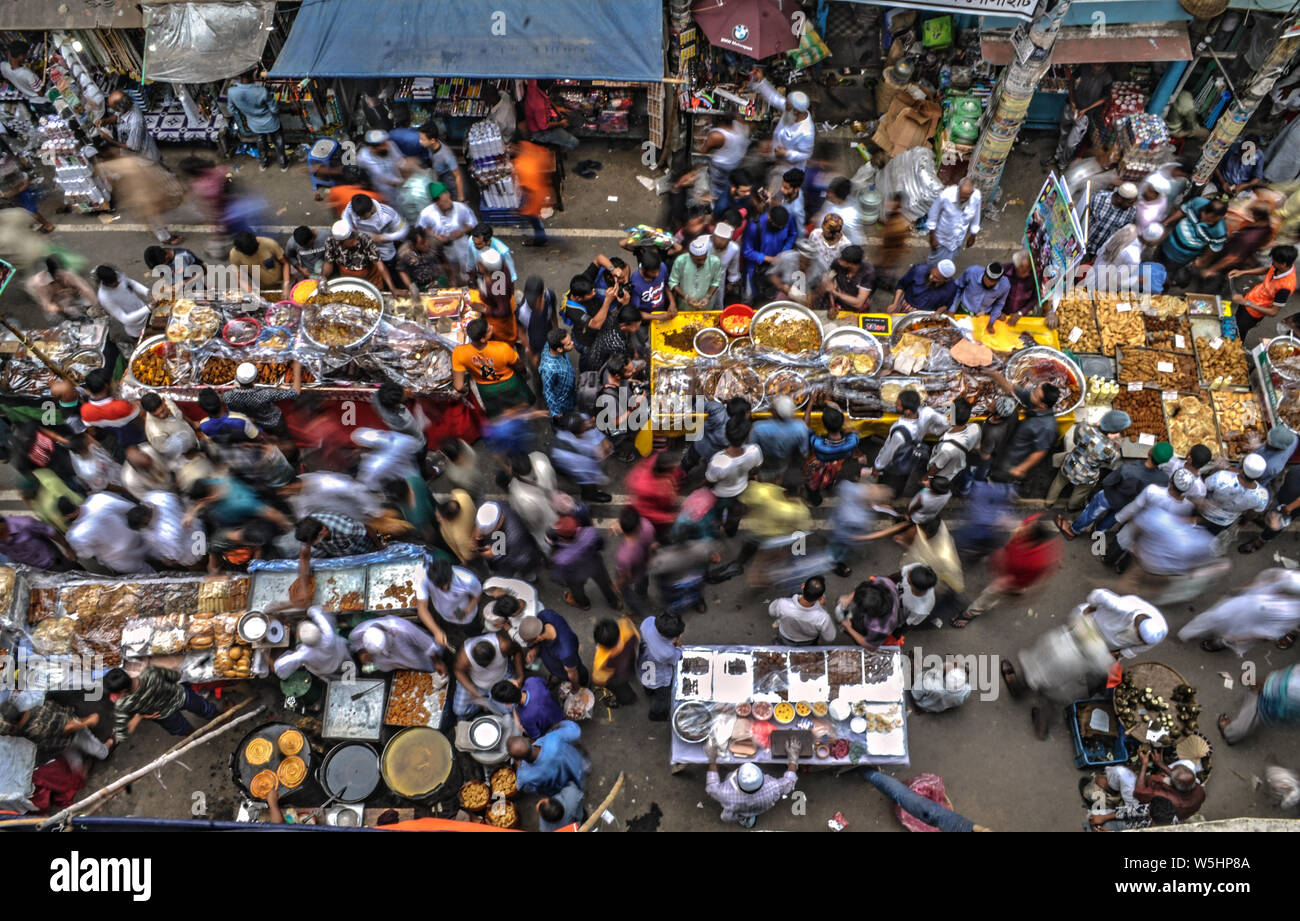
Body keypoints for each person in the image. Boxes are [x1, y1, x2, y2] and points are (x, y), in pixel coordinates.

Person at [953, 515, 1061, 627]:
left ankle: (970, 613)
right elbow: (1018, 527)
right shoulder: (1029, 526)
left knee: (990, 594)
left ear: (1032, 538)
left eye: (1026, 530)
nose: (1021, 528)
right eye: (1026, 526)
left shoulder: (1036, 562)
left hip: (1010, 579)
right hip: (1004, 564)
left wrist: (1009, 584)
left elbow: (1025, 580)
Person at [1058, 442, 1171, 540]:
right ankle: (1097, 532)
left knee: (1091, 513)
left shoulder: (1128, 469)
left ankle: (1073, 530)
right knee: (1112, 518)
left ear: (1150, 452)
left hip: (1109, 497)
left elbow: (1107, 481)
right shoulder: (1164, 479)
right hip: (1128, 504)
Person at [983, 368, 1060, 482]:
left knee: (1000, 478)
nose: (1031, 394)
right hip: (1009, 445)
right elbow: (1012, 389)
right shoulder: (1035, 402)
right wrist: (994, 375)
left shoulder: (1047, 427)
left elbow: (1041, 451)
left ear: (1043, 406)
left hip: (1014, 459)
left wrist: (1020, 469)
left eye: (1035, 395)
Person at [104, 665, 216, 742]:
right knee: (205, 709)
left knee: (184, 729)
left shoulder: (123, 704)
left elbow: (121, 735)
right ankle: (222, 717)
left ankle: (198, 737)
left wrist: (139, 716)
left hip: (164, 715)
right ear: (127, 674)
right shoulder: (150, 672)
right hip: (180, 696)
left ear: (121, 691)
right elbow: (175, 676)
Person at [705, 739, 801, 828]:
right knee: (754, 810)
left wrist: (712, 760)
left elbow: (711, 786)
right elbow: (789, 781)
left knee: (736, 811)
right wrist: (793, 759)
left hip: (736, 811)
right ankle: (751, 816)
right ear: (762, 778)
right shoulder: (773, 787)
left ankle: (743, 818)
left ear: (737, 775)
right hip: (761, 807)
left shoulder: (725, 793)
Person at [1045, 410, 1129, 510]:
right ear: (1115, 432)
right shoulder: (1110, 450)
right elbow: (1109, 461)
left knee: (1058, 482)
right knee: (1080, 493)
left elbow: (1076, 441)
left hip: (1070, 464)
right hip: (1086, 476)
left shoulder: (1083, 427)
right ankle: (1071, 507)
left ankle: (1048, 503)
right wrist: (1115, 444)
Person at [749, 68, 814, 193]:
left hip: (787, 169)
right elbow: (775, 99)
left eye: (787, 105)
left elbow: (805, 154)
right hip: (774, 157)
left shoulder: (806, 132)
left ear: (796, 111)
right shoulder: (791, 110)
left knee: (774, 194)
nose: (784, 106)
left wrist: (786, 154)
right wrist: (762, 81)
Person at [872, 389, 946, 498]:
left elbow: (888, 452)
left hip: (899, 459)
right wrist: (932, 430)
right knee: (905, 475)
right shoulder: (927, 412)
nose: (895, 405)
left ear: (907, 411)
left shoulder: (899, 433)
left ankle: (889, 496)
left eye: (898, 405)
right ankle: (898, 492)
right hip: (913, 453)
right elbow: (944, 423)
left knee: (893, 479)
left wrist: (877, 467)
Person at [452, 317, 530, 416]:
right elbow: (519, 366)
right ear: (483, 339)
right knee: (520, 407)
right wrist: (524, 373)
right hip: (509, 383)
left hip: (486, 389)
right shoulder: (503, 348)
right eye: (489, 329)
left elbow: (459, 386)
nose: (492, 327)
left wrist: (467, 390)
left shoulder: (459, 352)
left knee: (498, 413)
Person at [0, 700, 109, 770]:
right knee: (96, 748)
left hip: (56, 745)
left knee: (73, 759)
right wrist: (88, 721)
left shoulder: (13, 728)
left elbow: (3, 727)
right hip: (73, 735)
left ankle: (81, 771)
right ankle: (107, 747)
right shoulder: (40, 719)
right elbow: (69, 727)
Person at [67, 492, 151, 574]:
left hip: (121, 558)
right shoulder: (98, 499)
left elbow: (87, 554)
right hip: (137, 538)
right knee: (159, 555)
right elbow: (130, 508)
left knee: (147, 573)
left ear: (67, 516)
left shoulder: (76, 535)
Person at [706, 416, 762, 537]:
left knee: (716, 516)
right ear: (748, 436)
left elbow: (710, 481)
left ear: (726, 434)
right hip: (741, 492)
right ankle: (730, 533)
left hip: (720, 495)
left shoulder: (718, 460)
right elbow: (755, 469)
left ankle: (716, 533)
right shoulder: (754, 451)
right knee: (735, 516)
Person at [1218, 663, 1300, 745]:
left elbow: (1276, 685)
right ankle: (1255, 689)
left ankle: (1229, 733)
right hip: (1288, 709)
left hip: (1268, 705)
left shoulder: (1293, 685)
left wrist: (1255, 682)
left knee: (1247, 720)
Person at [1228, 244, 1297, 341]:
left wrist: (1247, 303)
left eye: (1274, 261)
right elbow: (1267, 269)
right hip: (1249, 298)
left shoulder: (1285, 287)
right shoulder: (1281, 265)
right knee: (1236, 323)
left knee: (1240, 333)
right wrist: (1242, 272)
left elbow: (1273, 312)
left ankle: (1236, 346)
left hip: (1253, 313)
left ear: (1284, 264)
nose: (1272, 262)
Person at [551, 515, 621, 611]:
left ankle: (584, 604)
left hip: (576, 576)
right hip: (596, 565)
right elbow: (601, 543)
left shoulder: (560, 556)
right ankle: (615, 603)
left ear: (562, 538)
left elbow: (558, 577)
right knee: (605, 584)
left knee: (577, 590)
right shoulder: (589, 532)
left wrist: (563, 583)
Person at [226, 70, 288, 171]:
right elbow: (274, 109)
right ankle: (283, 164)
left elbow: (231, 110)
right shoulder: (261, 91)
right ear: (253, 75)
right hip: (270, 121)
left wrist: (246, 111)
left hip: (254, 123)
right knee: (277, 140)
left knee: (260, 140)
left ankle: (263, 163)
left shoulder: (232, 92)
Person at [1055, 63, 1113, 169]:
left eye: (1098, 66)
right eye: (1093, 66)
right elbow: (1072, 78)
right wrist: (1072, 99)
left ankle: (1062, 163)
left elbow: (1104, 98)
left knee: (1071, 143)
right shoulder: (1084, 67)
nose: (1095, 68)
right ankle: (1057, 155)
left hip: (1084, 114)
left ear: (1105, 66)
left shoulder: (1107, 78)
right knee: (1063, 133)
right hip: (1071, 107)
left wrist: (1086, 110)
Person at [416, 184, 476, 285]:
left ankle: (471, 282)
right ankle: (456, 283)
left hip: (462, 245)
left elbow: (472, 223)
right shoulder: (427, 213)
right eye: (445, 201)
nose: (450, 203)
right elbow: (421, 228)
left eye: (449, 198)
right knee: (451, 269)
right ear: (437, 203)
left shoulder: (461, 208)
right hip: (444, 249)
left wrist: (462, 231)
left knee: (469, 266)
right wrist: (435, 237)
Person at [511, 720, 590, 796]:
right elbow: (575, 730)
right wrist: (560, 725)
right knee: (579, 779)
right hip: (575, 767)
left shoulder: (524, 775)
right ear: (528, 739)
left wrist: (518, 765)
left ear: (517, 759)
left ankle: (578, 792)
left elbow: (522, 787)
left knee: (570, 792)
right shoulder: (553, 738)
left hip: (557, 790)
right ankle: (581, 788)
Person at [1158, 197, 1227, 280]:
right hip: (1169, 241)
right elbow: (1182, 211)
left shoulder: (1220, 231)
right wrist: (1165, 223)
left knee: (1165, 273)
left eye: (1214, 221)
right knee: (1156, 260)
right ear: (1203, 210)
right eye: (1208, 219)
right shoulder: (1197, 202)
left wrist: (1202, 260)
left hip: (1180, 256)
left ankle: (1155, 287)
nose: (1210, 222)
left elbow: (1215, 248)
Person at [1086, 588, 1168, 659]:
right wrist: (1090, 608)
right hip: (1094, 623)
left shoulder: (1157, 635)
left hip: (1109, 644)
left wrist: (1119, 654)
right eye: (1139, 637)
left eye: (1142, 640)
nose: (1139, 640)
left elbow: (1142, 647)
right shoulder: (1123, 607)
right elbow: (1098, 594)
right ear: (1137, 625)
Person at [1197, 454, 1269, 534]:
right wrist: (1245, 521)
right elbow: (1252, 514)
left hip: (1205, 513)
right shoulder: (1262, 496)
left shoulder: (1222, 476)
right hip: (1224, 522)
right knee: (1209, 535)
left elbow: (1202, 490)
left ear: (1242, 466)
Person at [273, 606, 350, 679]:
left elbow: (279, 666)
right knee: (350, 668)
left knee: (338, 676)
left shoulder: (305, 653)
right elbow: (317, 614)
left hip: (326, 669)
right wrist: (310, 609)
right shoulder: (328, 635)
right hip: (340, 656)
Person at [351, 616, 444, 673]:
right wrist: (362, 653)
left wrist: (437, 662)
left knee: (420, 663)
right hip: (393, 665)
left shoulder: (402, 628)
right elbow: (356, 644)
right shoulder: (359, 633)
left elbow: (427, 645)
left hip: (416, 655)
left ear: (386, 632)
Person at [321, 220, 396, 290]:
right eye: (350, 240)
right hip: (347, 275)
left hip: (369, 275)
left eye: (353, 237)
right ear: (340, 242)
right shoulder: (331, 241)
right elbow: (328, 262)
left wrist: (392, 288)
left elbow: (380, 265)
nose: (355, 242)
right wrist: (323, 278)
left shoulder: (364, 238)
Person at [743, 205, 798, 300]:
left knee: (776, 290)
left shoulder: (788, 218)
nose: (780, 229)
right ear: (769, 218)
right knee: (751, 295)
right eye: (778, 227)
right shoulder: (754, 227)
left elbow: (792, 234)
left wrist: (784, 252)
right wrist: (768, 259)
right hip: (757, 267)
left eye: (782, 228)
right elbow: (747, 252)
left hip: (778, 264)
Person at [1133, 749, 1204, 821]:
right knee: (1189, 763)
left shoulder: (1162, 797)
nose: (1169, 772)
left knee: (1123, 773)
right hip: (1182, 810)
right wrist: (1160, 763)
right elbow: (1176, 778)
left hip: (1165, 814)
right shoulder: (1199, 790)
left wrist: (1144, 764)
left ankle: (1132, 804)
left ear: (1172, 783)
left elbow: (1138, 791)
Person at [752, 396, 809, 483]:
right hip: (784, 465)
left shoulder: (758, 427)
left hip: (764, 466)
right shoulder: (800, 428)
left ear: (775, 413)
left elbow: (752, 450)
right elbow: (804, 452)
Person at [344, 192, 408, 268]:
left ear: (371, 210)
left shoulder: (388, 214)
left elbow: (403, 229)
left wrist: (383, 237)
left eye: (363, 217)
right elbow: (345, 217)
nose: (359, 219)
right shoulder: (351, 208)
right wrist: (353, 231)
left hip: (384, 249)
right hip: (363, 246)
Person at [926, 178, 980, 265]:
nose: (962, 199)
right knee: (933, 263)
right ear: (958, 189)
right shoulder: (946, 196)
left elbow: (976, 216)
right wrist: (932, 236)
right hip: (942, 238)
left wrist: (973, 235)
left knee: (948, 262)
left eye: (966, 197)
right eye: (961, 196)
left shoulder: (976, 197)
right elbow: (933, 215)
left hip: (958, 239)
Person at [26, 255, 96, 320]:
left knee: (86, 304)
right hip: (56, 303)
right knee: (55, 317)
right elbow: (47, 305)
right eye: (58, 275)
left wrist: (96, 305)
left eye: (61, 273)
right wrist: (64, 310)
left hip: (70, 296)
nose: (61, 276)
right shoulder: (40, 283)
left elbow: (85, 289)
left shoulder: (66, 273)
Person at [93, 265, 151, 342]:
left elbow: (131, 284)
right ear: (106, 284)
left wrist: (148, 292)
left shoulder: (117, 275)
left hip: (147, 314)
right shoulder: (105, 297)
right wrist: (148, 308)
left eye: (117, 280)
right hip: (137, 329)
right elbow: (125, 319)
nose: (118, 283)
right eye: (114, 283)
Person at [927, 398, 980, 483]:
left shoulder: (946, 448)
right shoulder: (975, 428)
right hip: (958, 467)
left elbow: (936, 467)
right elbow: (977, 448)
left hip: (943, 476)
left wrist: (927, 477)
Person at [492, 677, 563, 739]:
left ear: (509, 704)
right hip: (558, 710)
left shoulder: (525, 717)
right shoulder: (531, 681)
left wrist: (519, 724)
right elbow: (544, 682)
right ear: (515, 683)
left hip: (553, 726)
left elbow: (535, 735)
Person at [771, 576, 834, 645]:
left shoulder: (782, 603)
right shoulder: (823, 617)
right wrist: (822, 607)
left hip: (785, 636)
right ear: (820, 598)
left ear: (802, 586)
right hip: (807, 642)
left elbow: (771, 611)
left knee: (780, 644)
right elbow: (830, 637)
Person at [98, 91, 159, 162]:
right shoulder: (126, 105)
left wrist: (110, 140)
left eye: (112, 108)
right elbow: (117, 115)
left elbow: (132, 147)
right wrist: (105, 121)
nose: (112, 110)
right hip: (134, 150)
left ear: (119, 108)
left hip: (145, 158)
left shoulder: (135, 123)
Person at [701, 114, 751, 201]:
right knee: (730, 188)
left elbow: (703, 150)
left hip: (720, 166)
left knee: (717, 191)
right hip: (735, 164)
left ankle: (717, 206)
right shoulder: (743, 128)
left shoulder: (717, 135)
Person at [946, 262, 1010, 326]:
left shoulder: (1005, 286)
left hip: (983, 316)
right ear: (984, 273)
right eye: (987, 279)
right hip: (963, 311)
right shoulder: (972, 272)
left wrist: (992, 321)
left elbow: (999, 304)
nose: (988, 283)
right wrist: (951, 310)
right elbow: (958, 288)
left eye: (992, 281)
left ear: (999, 280)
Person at [1081, 183, 1138, 254]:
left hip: (1099, 253)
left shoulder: (1132, 212)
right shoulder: (1099, 198)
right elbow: (1082, 216)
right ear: (1119, 198)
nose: (1132, 205)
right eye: (1130, 202)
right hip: (1082, 244)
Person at [0, 513, 72, 570]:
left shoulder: (25, 524)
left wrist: (68, 549)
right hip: (33, 571)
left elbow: (51, 532)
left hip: (54, 563)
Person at [821, 245, 875, 319]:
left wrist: (835, 292)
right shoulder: (837, 264)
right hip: (840, 306)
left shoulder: (868, 273)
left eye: (843, 260)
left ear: (851, 264)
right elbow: (830, 284)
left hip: (859, 311)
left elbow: (859, 303)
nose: (839, 261)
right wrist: (832, 306)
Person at [669, 236, 722, 311]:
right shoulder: (680, 261)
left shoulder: (715, 262)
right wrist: (686, 297)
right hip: (685, 305)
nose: (703, 262)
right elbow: (673, 282)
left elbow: (716, 281)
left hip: (706, 305)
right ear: (691, 255)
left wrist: (708, 297)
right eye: (699, 260)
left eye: (704, 258)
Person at [295, 511, 376, 558]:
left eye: (312, 543)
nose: (308, 545)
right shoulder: (307, 530)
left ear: (322, 533)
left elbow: (368, 528)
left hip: (363, 549)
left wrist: (380, 547)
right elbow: (304, 557)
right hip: (341, 556)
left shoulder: (345, 529)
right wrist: (304, 581)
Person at [416, 121, 464, 201]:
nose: (420, 141)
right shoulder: (430, 147)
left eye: (422, 139)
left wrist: (460, 197)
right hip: (439, 176)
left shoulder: (447, 155)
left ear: (432, 140)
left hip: (449, 180)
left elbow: (458, 176)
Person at [888, 259, 958, 313]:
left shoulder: (951, 289)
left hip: (926, 313)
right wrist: (895, 303)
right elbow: (901, 286)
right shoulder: (918, 270)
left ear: (946, 280)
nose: (931, 277)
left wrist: (937, 313)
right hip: (906, 306)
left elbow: (946, 305)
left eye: (936, 278)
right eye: (932, 273)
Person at [539, 327, 577, 421]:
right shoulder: (549, 369)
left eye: (570, 340)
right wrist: (556, 412)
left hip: (570, 393)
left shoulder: (551, 345)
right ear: (559, 349)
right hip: (562, 402)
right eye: (569, 344)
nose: (572, 343)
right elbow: (548, 391)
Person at [394, 225, 443, 297]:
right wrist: (411, 286)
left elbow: (444, 260)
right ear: (413, 245)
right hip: (419, 286)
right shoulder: (403, 253)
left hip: (438, 281)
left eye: (426, 240)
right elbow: (402, 271)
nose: (426, 244)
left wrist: (451, 278)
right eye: (422, 243)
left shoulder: (434, 243)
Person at [357, 129, 404, 201]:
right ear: (374, 148)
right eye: (383, 144)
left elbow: (400, 162)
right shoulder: (363, 157)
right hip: (382, 195)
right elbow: (361, 175)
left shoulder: (391, 145)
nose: (387, 146)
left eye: (386, 142)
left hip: (400, 189)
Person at [2, 41, 48, 111]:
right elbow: (40, 93)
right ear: (21, 56)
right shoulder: (28, 74)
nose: (26, 56)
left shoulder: (3, 66)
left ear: (9, 54)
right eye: (25, 54)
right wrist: (42, 81)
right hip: (42, 101)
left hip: (31, 101)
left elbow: (7, 80)